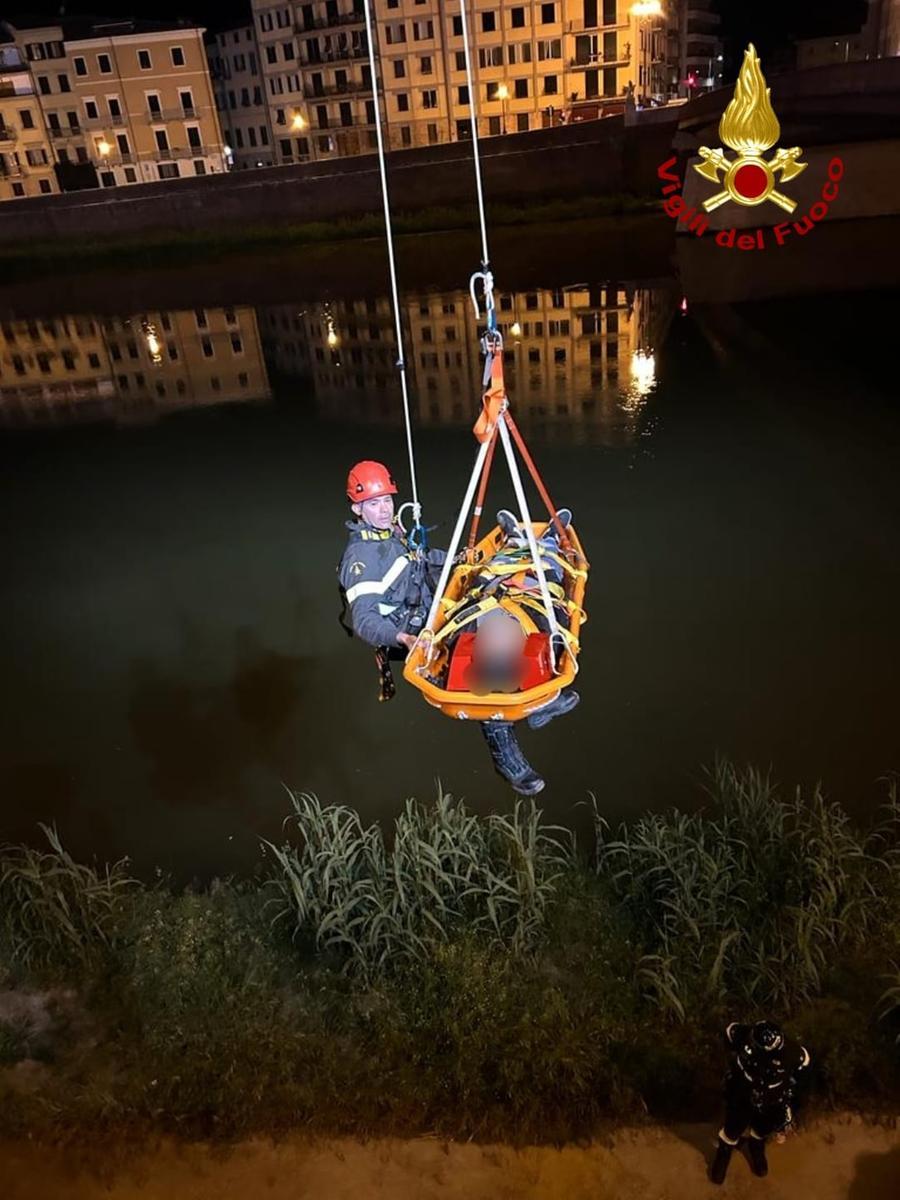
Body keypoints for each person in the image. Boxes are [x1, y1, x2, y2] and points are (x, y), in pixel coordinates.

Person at [709, 1020, 811, 1185]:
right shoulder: (742, 1034)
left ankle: (756, 1146)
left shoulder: (793, 1053)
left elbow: (803, 1072)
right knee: (733, 1126)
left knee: (762, 1127)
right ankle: (724, 1152)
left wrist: (791, 1100)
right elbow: (729, 1034)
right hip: (742, 1092)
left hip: (772, 1099)